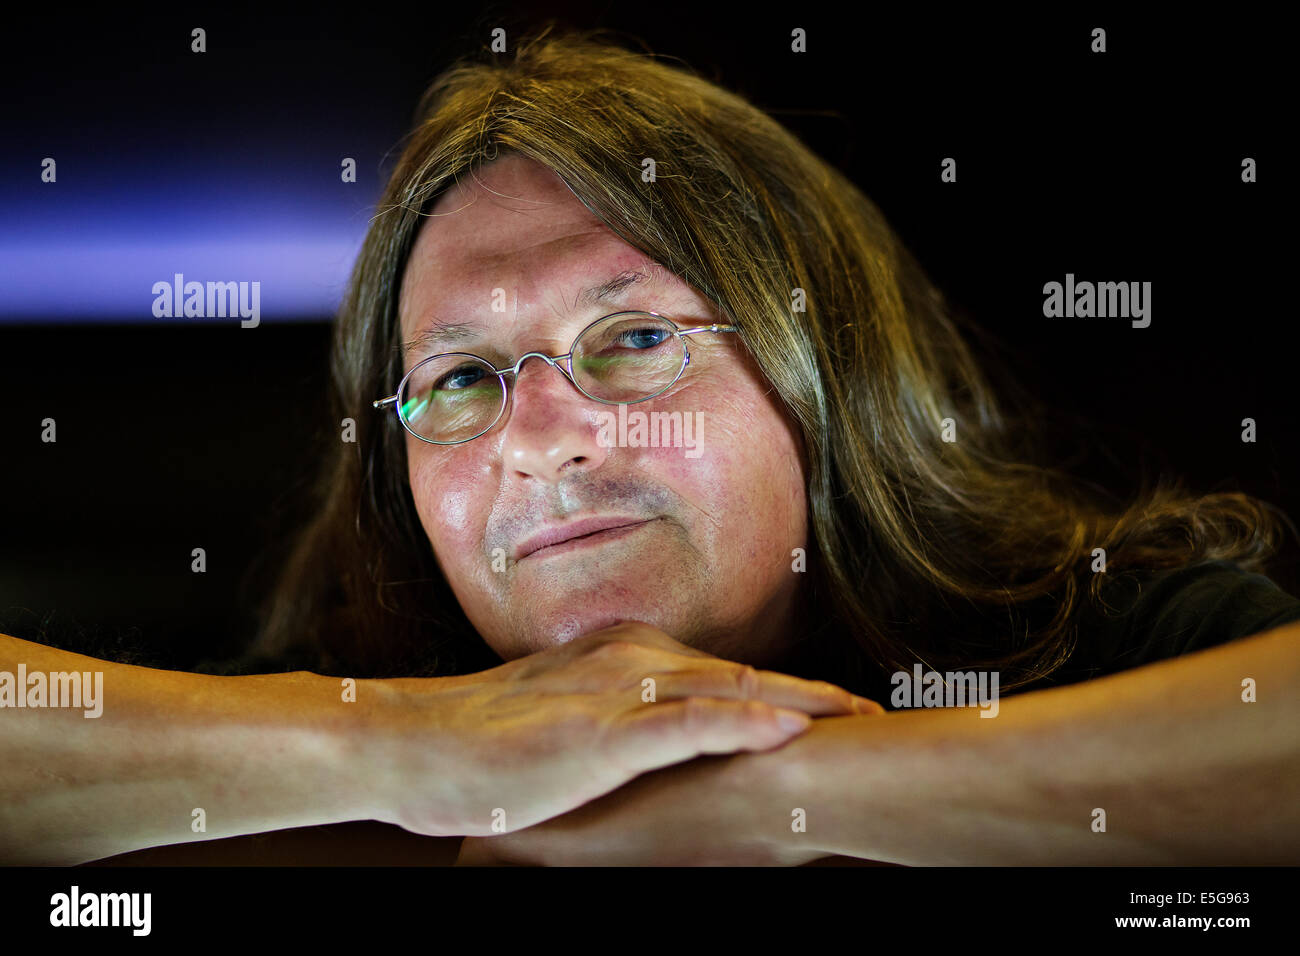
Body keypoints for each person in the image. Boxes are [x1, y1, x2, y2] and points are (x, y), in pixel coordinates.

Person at [3, 26, 1298, 866]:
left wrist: (772, 797)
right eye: (456, 378)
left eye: (629, 340)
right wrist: (410, 754)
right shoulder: (340, 759)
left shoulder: (1120, 641)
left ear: (822, 366)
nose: (539, 439)